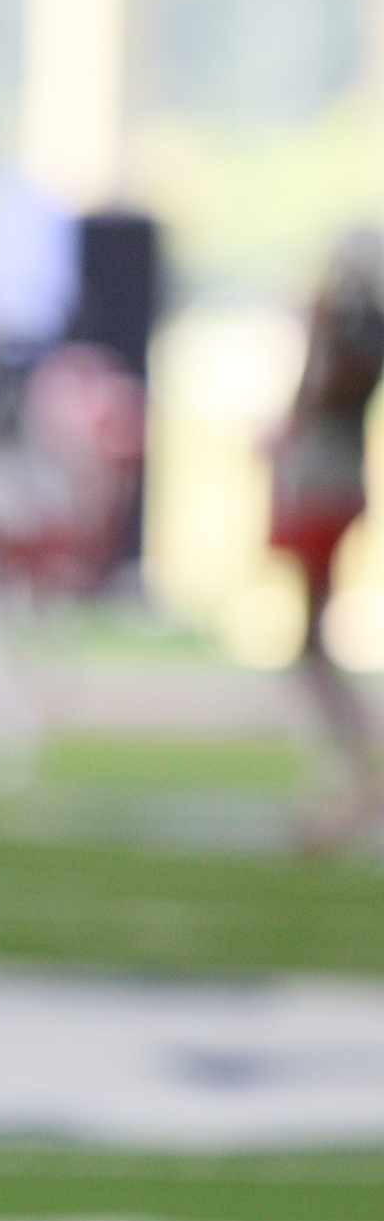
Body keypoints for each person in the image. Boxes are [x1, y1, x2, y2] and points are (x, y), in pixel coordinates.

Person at [272, 227, 384, 847]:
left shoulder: (357, 329)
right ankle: (353, 763)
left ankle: (358, 765)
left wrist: (317, 331)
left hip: (328, 486)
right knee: (307, 644)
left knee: (310, 641)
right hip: (319, 482)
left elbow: (327, 394)